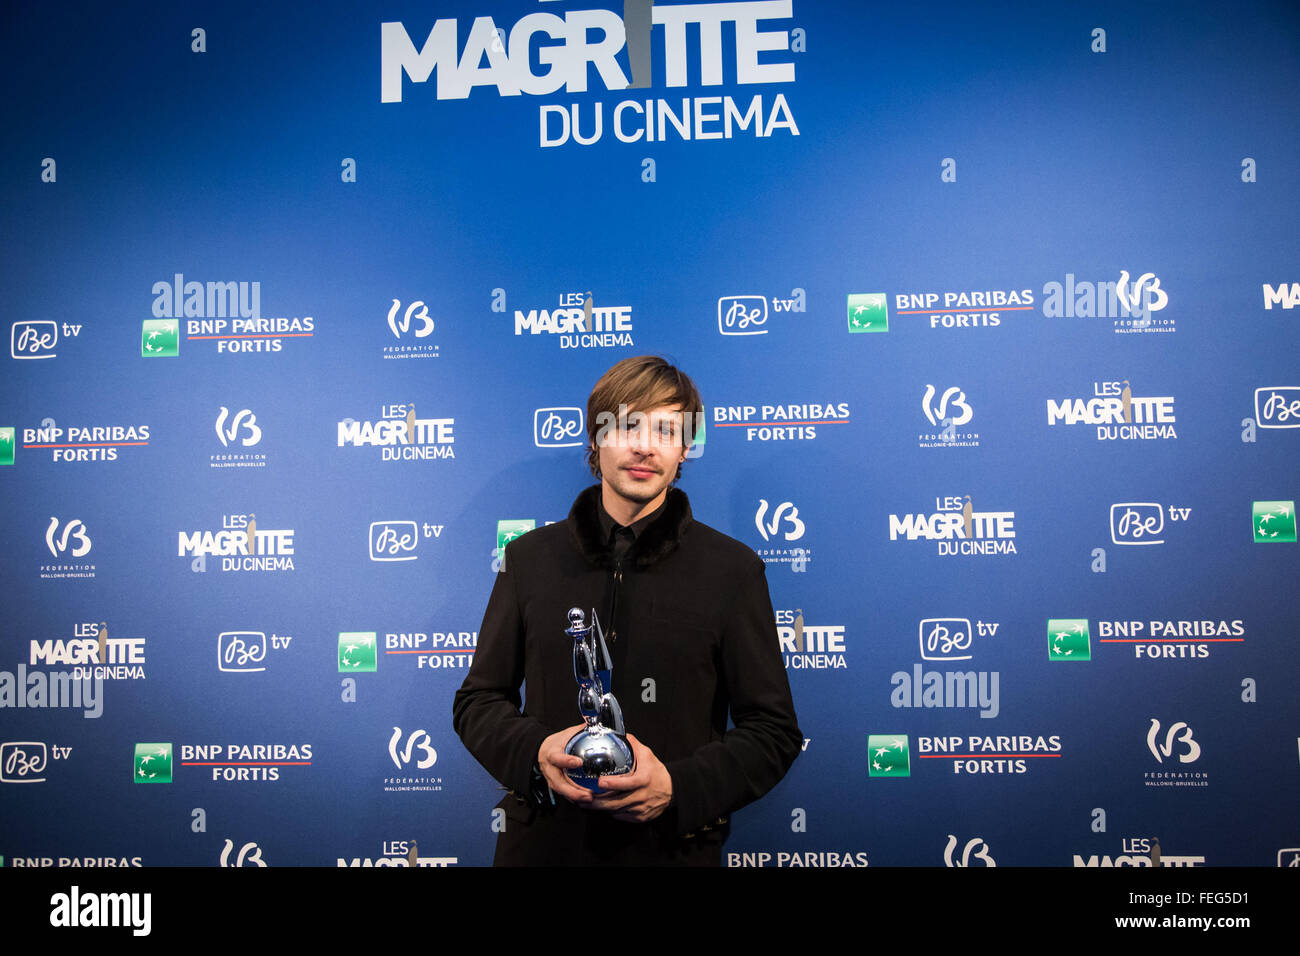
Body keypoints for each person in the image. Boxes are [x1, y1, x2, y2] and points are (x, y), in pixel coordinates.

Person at [453, 355, 801, 866]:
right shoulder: (528, 560)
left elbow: (773, 732)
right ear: (596, 440)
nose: (644, 446)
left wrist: (676, 787)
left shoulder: (734, 571)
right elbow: (478, 701)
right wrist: (535, 754)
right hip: (542, 849)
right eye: (627, 425)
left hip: (670, 853)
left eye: (666, 429)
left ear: (685, 449)